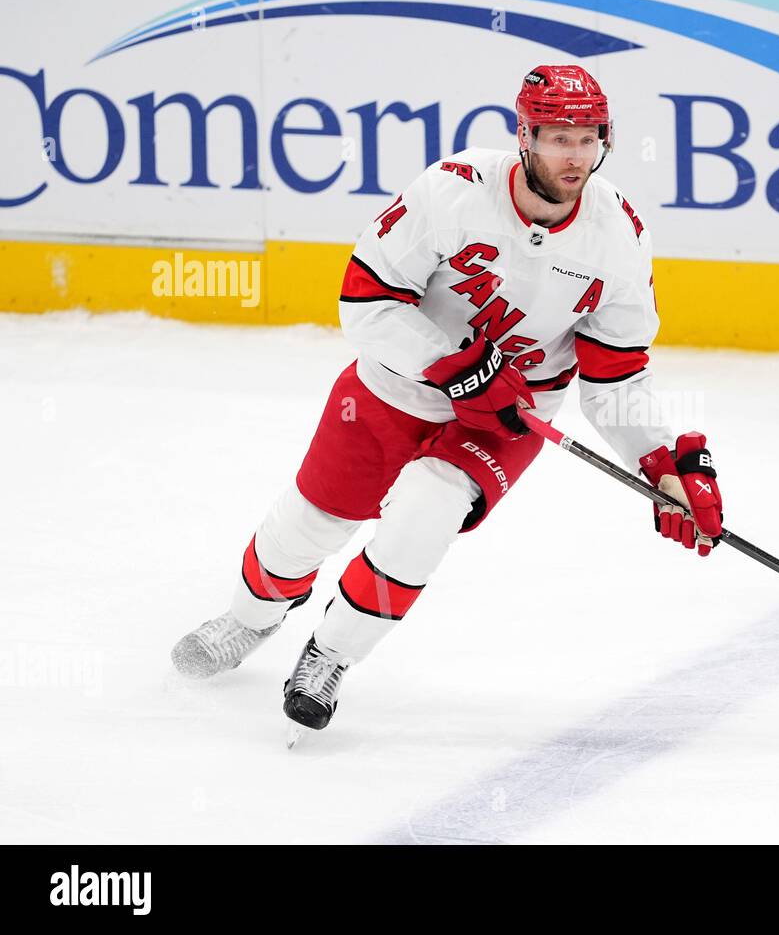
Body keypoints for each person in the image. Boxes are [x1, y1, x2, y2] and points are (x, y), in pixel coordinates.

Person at [170, 65, 724, 740]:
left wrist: (661, 464)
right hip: (391, 389)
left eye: (587, 138)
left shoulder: (619, 237)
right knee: (305, 530)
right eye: (557, 137)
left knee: (426, 513)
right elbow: (365, 301)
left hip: (506, 417)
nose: (574, 156)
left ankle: (331, 655)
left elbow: (616, 377)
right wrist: (450, 368)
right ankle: (250, 618)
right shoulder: (453, 190)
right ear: (524, 136)